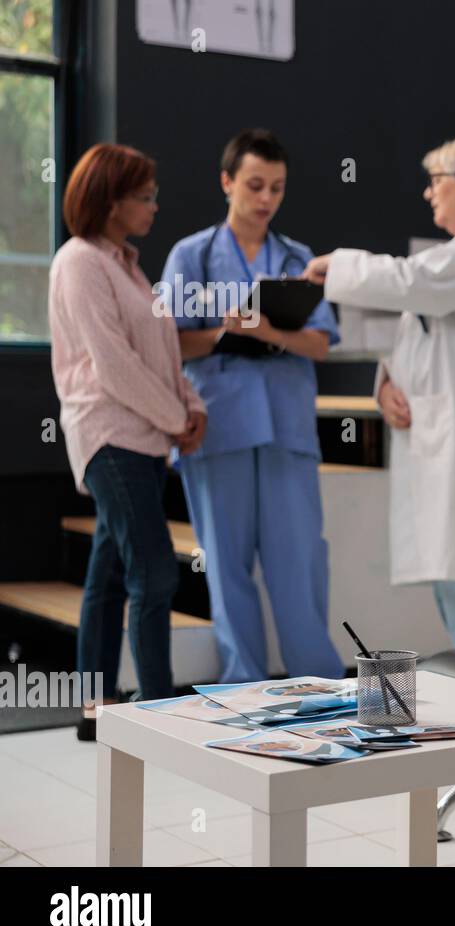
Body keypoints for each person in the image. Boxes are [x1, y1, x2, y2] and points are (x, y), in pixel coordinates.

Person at [303, 133, 455, 650]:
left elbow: (413, 283)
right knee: (450, 574)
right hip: (440, 434)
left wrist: (339, 264)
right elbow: (408, 332)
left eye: (435, 182)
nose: (429, 194)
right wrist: (385, 387)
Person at [161, 129, 344, 682]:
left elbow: (320, 342)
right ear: (227, 182)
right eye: (255, 185)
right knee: (227, 563)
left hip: (286, 426)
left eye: (278, 188)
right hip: (220, 425)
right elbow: (168, 340)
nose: (266, 199)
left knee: (299, 559)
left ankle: (316, 677)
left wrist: (267, 329)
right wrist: (225, 331)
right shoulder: (190, 256)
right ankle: (243, 681)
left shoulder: (299, 258)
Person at [49, 143, 207, 740]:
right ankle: (161, 718)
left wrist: (189, 407)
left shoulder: (129, 264)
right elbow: (113, 365)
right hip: (110, 436)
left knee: (110, 574)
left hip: (144, 435)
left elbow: (160, 353)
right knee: (156, 573)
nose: (155, 206)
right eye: (145, 196)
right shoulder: (81, 261)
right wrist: (175, 418)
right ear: (111, 202)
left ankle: (96, 711)